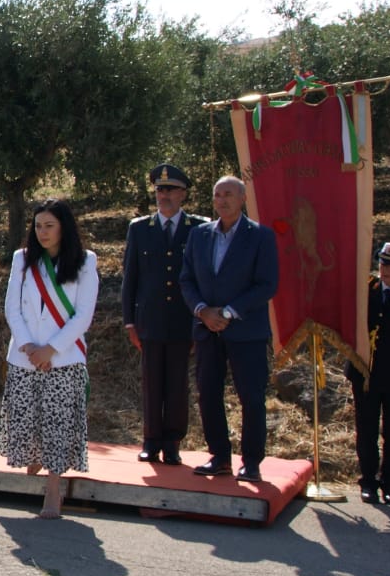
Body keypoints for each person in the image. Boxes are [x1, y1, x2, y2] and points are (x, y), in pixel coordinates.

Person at [0, 199, 99, 519]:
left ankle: (53, 492)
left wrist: (50, 349)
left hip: (63, 357)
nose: (43, 232)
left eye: (49, 225)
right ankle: (35, 456)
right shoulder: (22, 259)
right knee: (25, 417)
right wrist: (29, 346)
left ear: (64, 227)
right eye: (38, 226)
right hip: (25, 354)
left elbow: (83, 316)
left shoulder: (85, 261)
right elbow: (12, 307)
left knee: (57, 424)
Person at [179, 175, 280, 483]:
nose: (222, 200)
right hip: (206, 329)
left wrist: (227, 312)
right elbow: (187, 279)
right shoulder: (199, 235)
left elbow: (266, 284)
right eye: (218, 195)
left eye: (228, 194)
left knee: (251, 397)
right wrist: (202, 311)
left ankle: (251, 462)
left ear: (243, 199)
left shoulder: (261, 236)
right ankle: (220, 457)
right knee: (208, 394)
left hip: (246, 331)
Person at [120, 163, 206, 465]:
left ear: (183, 194)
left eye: (170, 190)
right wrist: (129, 321)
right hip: (150, 320)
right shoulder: (140, 228)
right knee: (152, 383)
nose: (164, 195)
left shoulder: (198, 228)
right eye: (159, 190)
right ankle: (151, 440)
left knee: (177, 384)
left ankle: (172, 443)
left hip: (184, 319)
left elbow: (202, 278)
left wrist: (200, 320)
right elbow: (131, 277)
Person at [344, 242, 390, 505]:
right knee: (366, 430)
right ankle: (369, 482)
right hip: (366, 373)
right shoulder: (366, 290)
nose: (385, 270)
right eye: (383, 263)